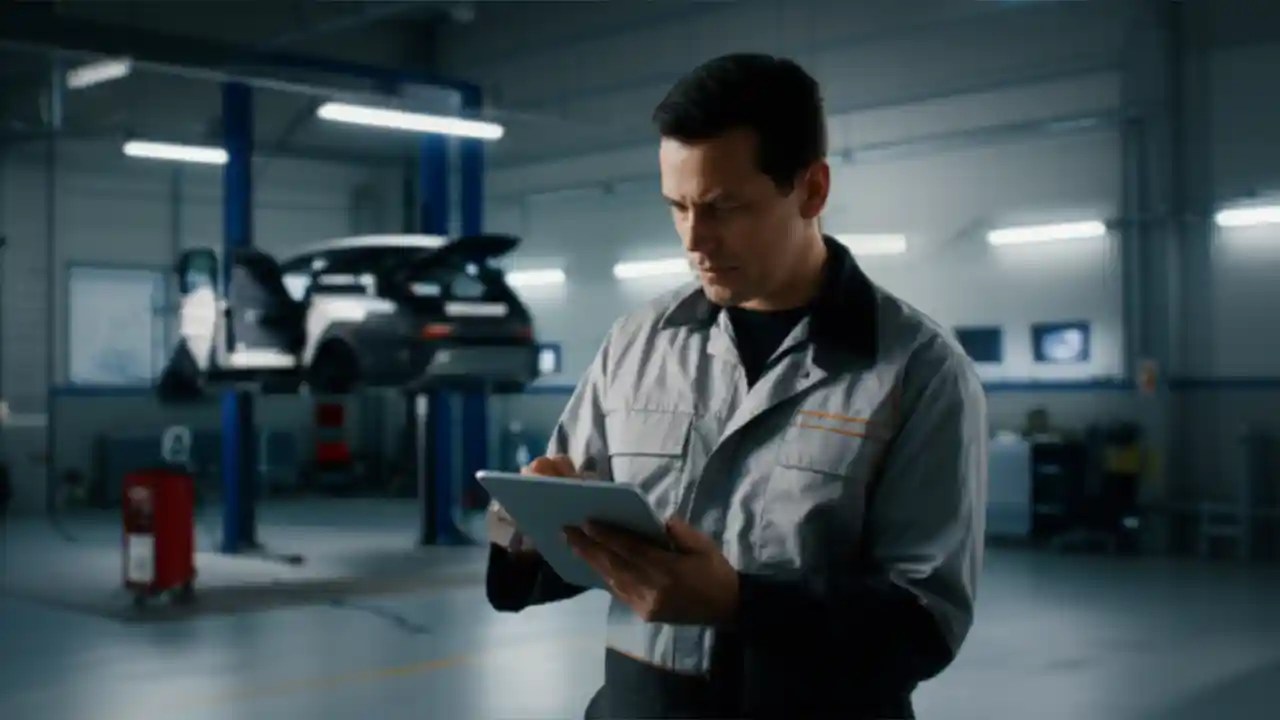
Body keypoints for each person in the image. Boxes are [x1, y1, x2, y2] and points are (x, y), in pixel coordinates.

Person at [485, 52, 987, 720]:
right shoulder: (637, 344)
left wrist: (737, 602)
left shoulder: (916, 370)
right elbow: (569, 554)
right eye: (678, 207)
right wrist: (522, 535)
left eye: (725, 207)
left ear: (811, 191)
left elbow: (923, 627)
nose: (695, 240)